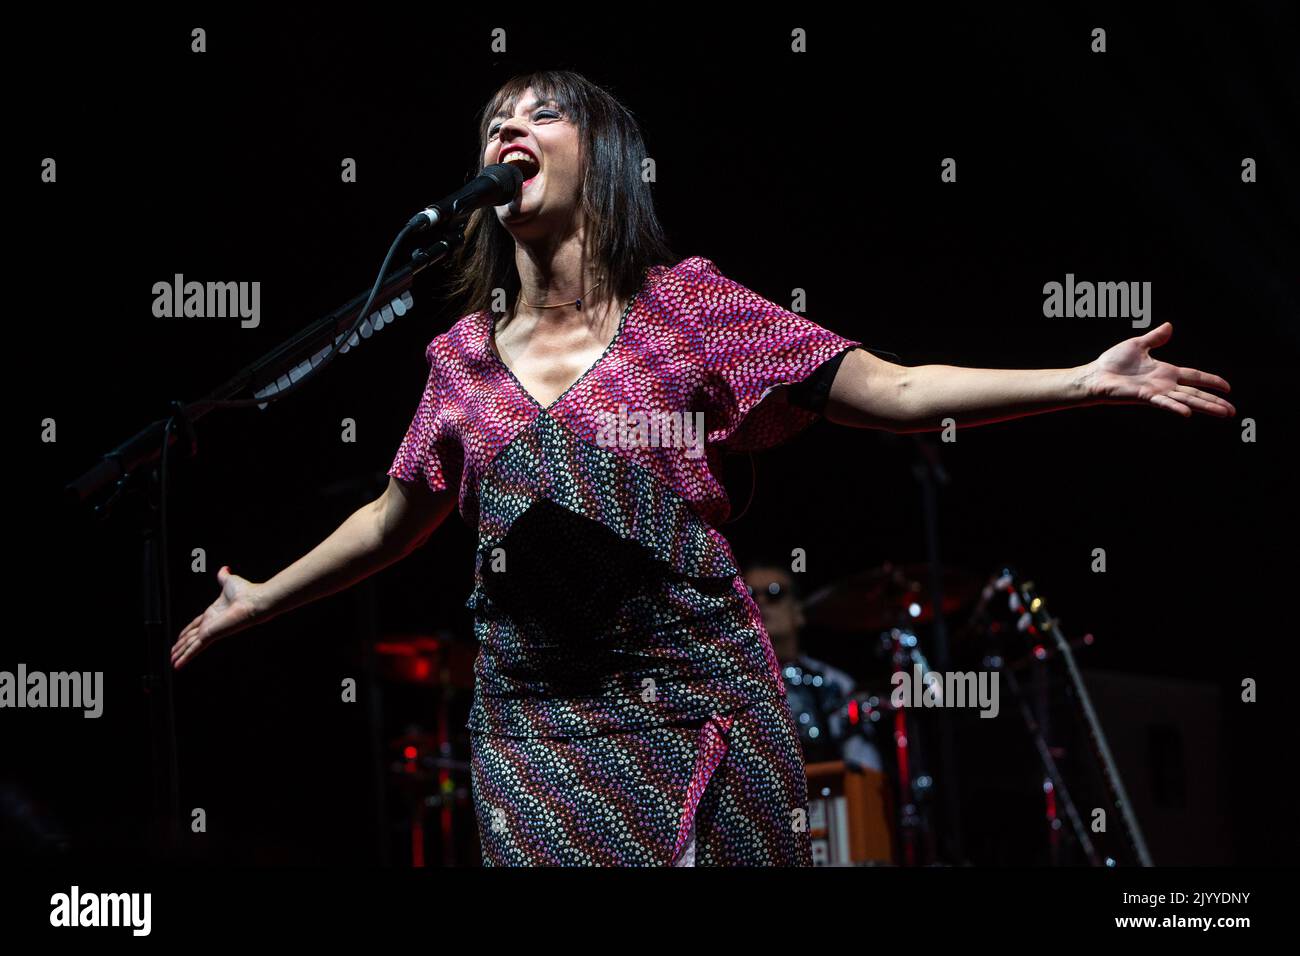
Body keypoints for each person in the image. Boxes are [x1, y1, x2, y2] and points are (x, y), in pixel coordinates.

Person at [169, 70, 1235, 867]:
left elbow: (897, 391)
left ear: (607, 159)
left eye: (544, 113)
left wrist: (1081, 380)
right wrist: (258, 597)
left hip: (696, 695)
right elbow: (394, 516)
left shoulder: (687, 306)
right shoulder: (460, 358)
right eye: (499, 114)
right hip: (534, 722)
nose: (510, 126)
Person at [742, 561, 884, 770]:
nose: (760, 601)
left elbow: (865, 769)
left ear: (798, 613)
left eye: (775, 593)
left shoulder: (835, 683)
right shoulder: (721, 685)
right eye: (750, 594)